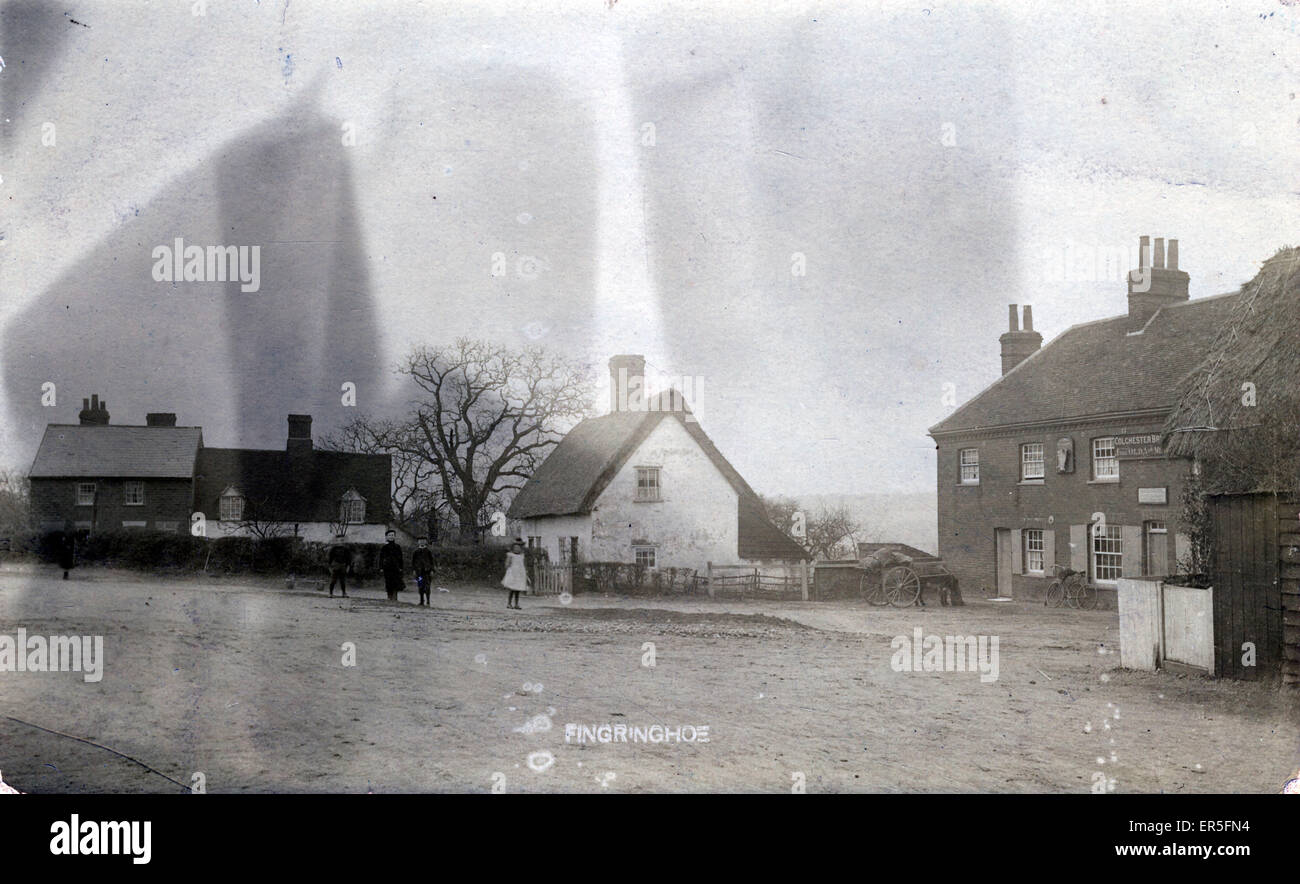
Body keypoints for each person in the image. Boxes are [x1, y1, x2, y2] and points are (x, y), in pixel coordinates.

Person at [501, 538, 529, 609]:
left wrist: (525, 571)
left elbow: (523, 564)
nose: (517, 549)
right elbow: (507, 564)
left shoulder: (522, 555)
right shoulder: (511, 555)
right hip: (513, 573)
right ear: (513, 547)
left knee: (518, 589)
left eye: (519, 547)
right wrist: (508, 568)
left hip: (520, 573)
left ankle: (516, 604)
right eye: (516, 547)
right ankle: (509, 603)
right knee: (512, 589)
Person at [379, 529, 405, 601]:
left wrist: (401, 567)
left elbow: (400, 558)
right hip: (387, 567)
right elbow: (381, 558)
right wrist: (381, 567)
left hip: (396, 567)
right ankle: (389, 596)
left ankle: (395, 597)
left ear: (395, 536)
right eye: (389, 535)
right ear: (386, 537)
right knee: (388, 582)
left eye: (393, 535)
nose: (391, 537)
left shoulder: (397, 547)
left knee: (396, 581)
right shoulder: (384, 548)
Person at [412, 537, 434, 606]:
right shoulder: (416, 552)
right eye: (420, 541)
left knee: (427, 587)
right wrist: (414, 570)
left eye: (423, 541)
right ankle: (421, 601)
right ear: (418, 542)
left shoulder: (428, 551)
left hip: (427, 572)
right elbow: (413, 562)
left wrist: (432, 570)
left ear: (426, 542)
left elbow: (432, 562)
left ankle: (428, 601)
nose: (422, 542)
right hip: (419, 572)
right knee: (420, 586)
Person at [327, 534, 351, 598]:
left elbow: (348, 558)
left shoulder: (346, 549)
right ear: (337, 541)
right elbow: (330, 558)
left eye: (343, 540)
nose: (341, 542)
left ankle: (344, 593)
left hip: (343, 565)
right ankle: (330, 593)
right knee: (333, 580)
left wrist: (348, 566)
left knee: (342, 580)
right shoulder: (333, 549)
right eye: (340, 540)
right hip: (335, 565)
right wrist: (329, 566)